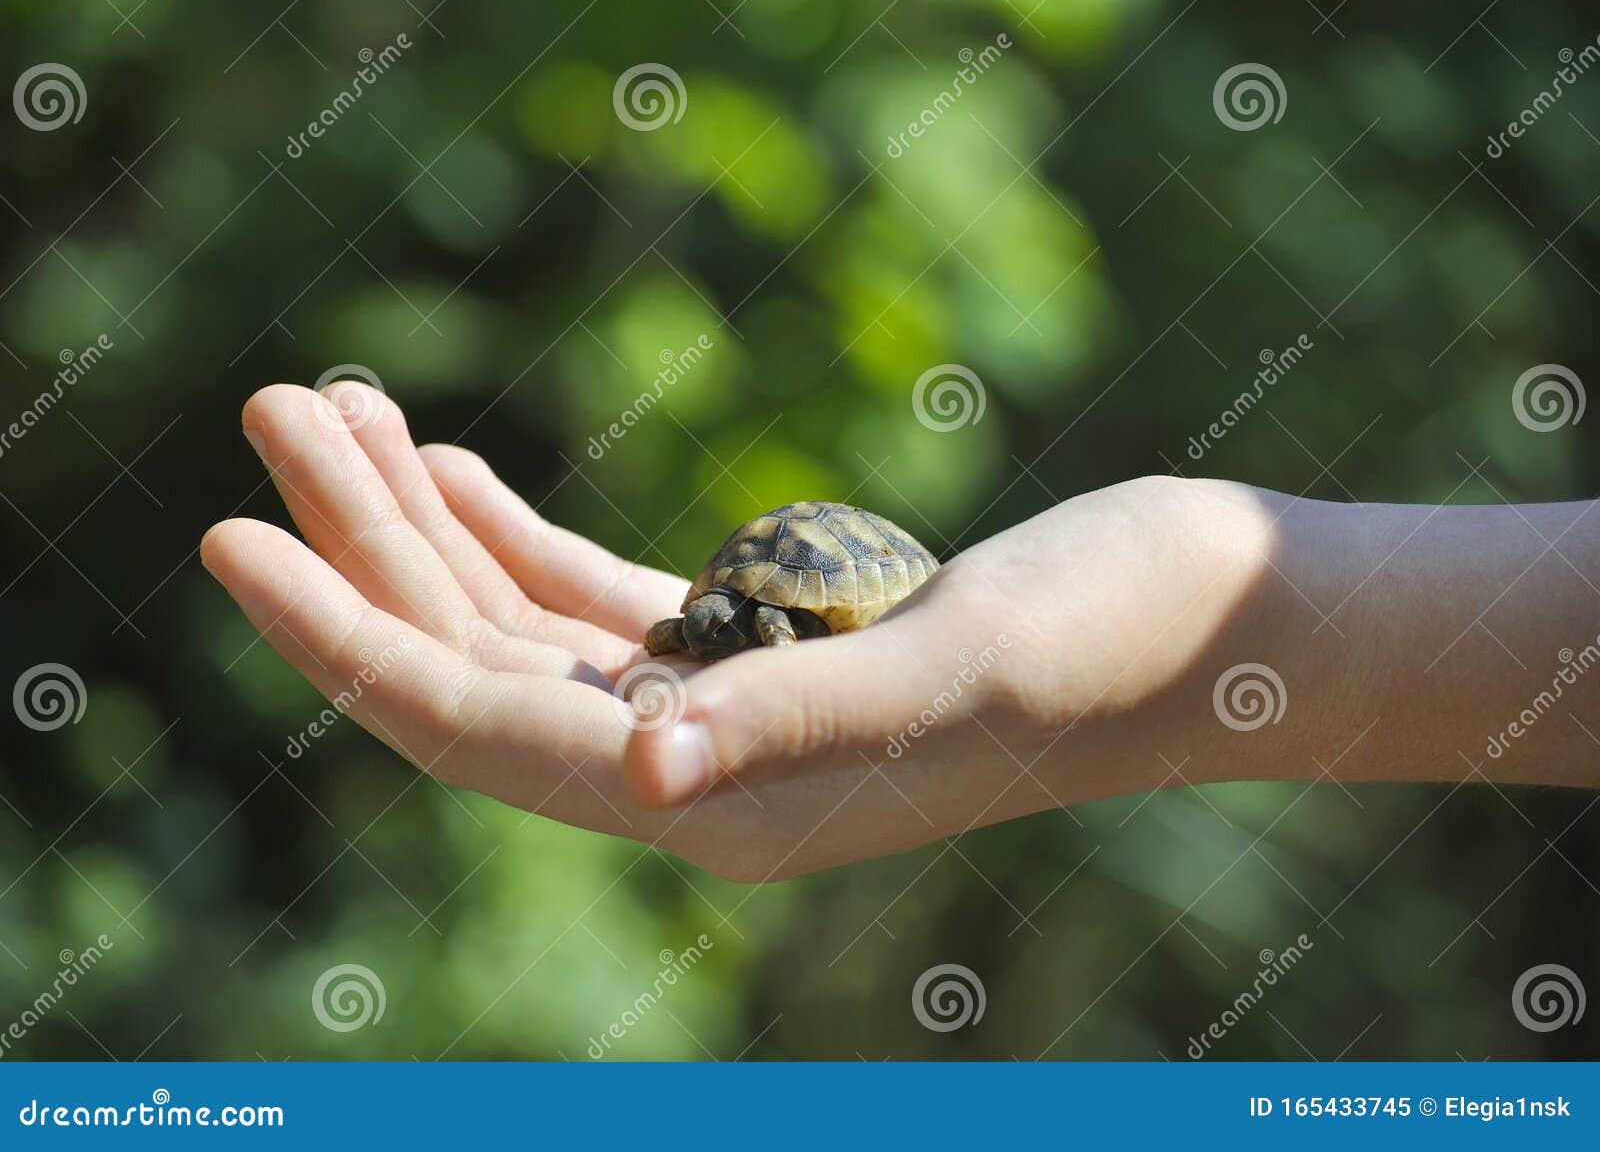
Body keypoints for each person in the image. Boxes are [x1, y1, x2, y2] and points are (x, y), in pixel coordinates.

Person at [201, 383, 1600, 882]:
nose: (718, 632)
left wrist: (1198, 619)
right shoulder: (723, 613)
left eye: (725, 625)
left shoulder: (802, 610)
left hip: (877, 571)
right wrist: (1229, 620)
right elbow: (718, 618)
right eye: (717, 623)